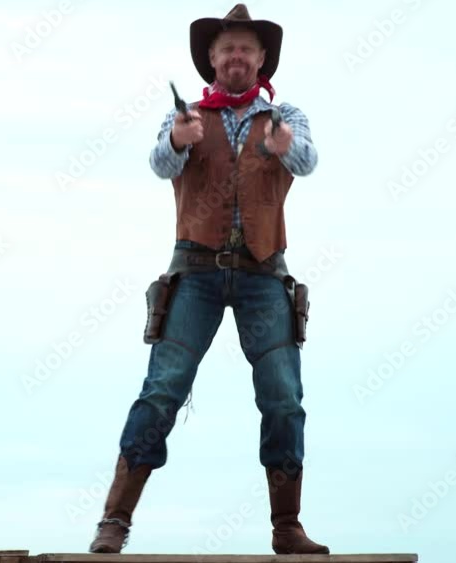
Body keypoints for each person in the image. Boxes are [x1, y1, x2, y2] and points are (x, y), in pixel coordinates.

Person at [88, 3, 327, 555]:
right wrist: (177, 139)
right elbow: (158, 165)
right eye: (227, 50)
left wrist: (288, 147)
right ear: (211, 61)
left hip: (265, 274)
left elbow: (310, 162)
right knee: (161, 392)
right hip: (194, 272)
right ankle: (114, 522)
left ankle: (286, 527)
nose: (236, 57)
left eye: (246, 49)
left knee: (284, 398)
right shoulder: (188, 115)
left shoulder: (285, 117)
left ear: (261, 58)